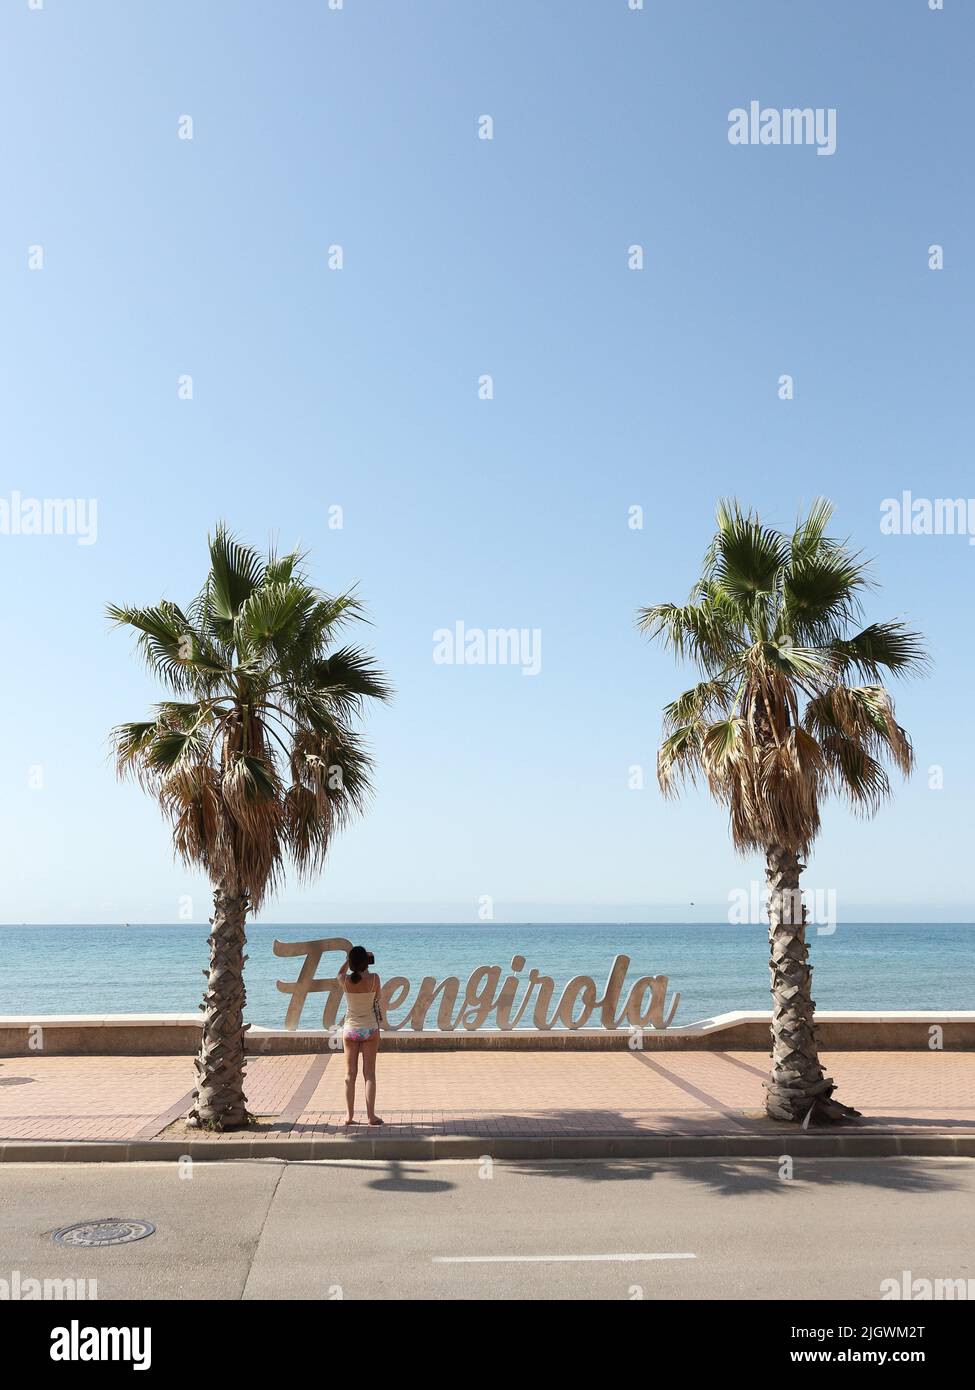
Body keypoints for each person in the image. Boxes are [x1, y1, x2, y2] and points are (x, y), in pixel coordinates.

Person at [338, 945, 384, 1126]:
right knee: (369, 1074)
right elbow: (378, 998)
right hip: (370, 1029)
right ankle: (371, 1116)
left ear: (351, 963)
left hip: (351, 1030)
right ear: (366, 961)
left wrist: (347, 961)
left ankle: (349, 1116)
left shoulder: (346, 980)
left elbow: (339, 974)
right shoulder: (374, 978)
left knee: (350, 1074)